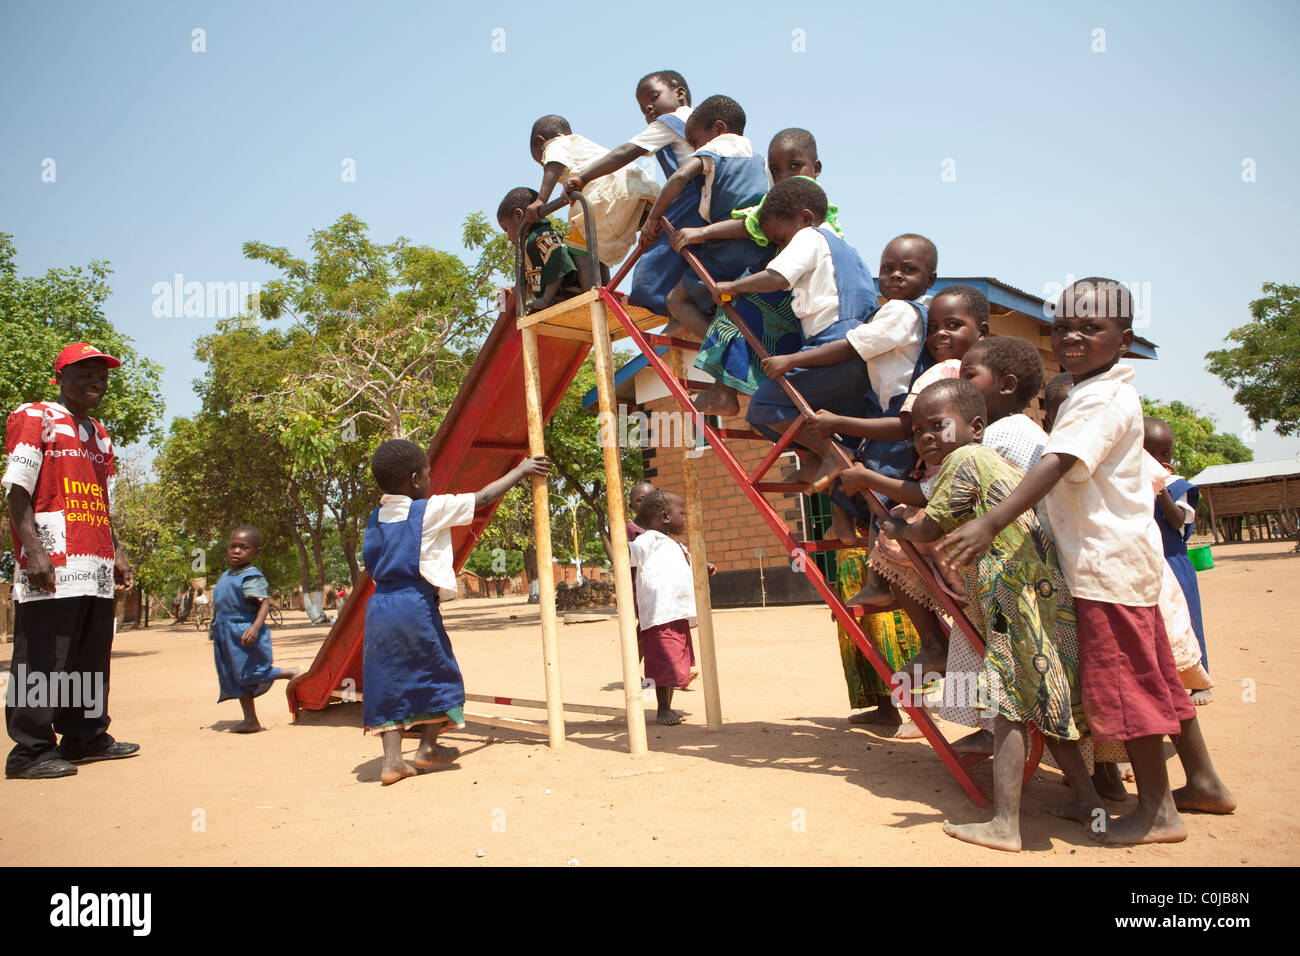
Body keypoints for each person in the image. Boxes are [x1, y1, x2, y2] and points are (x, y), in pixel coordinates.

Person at [939, 278, 1236, 844]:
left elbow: (1058, 461)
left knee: (1125, 689)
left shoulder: (1099, 398)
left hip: (1105, 571)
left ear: (1123, 339)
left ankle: (1158, 813)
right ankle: (1201, 781)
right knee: (1157, 681)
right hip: (1121, 565)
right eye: (1062, 327)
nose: (1072, 336)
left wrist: (990, 520)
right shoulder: (1088, 389)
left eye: (1090, 328)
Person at [879, 378, 1105, 852]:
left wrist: (896, 526)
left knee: (1008, 705)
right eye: (918, 431)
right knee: (1043, 697)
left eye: (937, 426)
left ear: (975, 426)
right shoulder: (992, 461)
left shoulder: (963, 460)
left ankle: (1006, 824)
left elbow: (931, 527)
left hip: (1012, 595)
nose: (926, 438)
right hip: (1044, 593)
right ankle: (1088, 802)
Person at [363, 440, 551, 784]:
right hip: (414, 606)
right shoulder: (428, 510)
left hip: (378, 608)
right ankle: (428, 747)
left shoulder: (375, 518)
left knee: (387, 679)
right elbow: (481, 498)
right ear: (417, 477)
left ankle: (392, 761)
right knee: (437, 670)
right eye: (429, 474)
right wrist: (521, 470)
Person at [835, 286, 991, 675]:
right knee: (977, 635)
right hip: (963, 503)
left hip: (960, 508)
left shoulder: (939, 376)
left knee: (893, 539)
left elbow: (907, 432)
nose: (940, 334)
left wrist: (841, 429)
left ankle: (932, 649)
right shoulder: (964, 375)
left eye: (953, 325)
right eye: (934, 326)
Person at [3, 343, 139, 779]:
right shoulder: (36, 416)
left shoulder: (100, 433)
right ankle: (30, 751)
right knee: (43, 657)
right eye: (84, 373)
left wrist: (115, 551)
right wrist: (34, 551)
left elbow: (103, 501)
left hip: (94, 565)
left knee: (89, 657)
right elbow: (17, 490)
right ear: (59, 378)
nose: (95, 381)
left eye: (101, 375)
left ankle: (85, 737)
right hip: (53, 562)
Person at [718, 179, 884, 493]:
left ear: (805, 219)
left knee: (764, 408)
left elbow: (778, 277)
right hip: (862, 350)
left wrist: (732, 287)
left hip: (835, 342)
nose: (780, 249)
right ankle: (823, 463)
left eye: (780, 239)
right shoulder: (849, 251)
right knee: (825, 421)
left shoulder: (810, 237)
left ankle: (831, 453)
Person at [672, 128, 839, 416]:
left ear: (817, 168)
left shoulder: (799, 211)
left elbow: (750, 225)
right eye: (776, 170)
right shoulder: (825, 214)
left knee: (733, 307)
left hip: (797, 301)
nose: (785, 176)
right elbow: (751, 224)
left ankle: (724, 391)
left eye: (795, 166)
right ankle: (737, 376)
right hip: (808, 311)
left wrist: (702, 233)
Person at [564, 70, 701, 316]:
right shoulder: (704, 123)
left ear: (679, 93)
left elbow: (627, 151)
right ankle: (688, 312)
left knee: (648, 274)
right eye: (642, 107)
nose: (649, 108)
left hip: (693, 201)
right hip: (713, 201)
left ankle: (679, 315)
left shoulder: (671, 121)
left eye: (654, 97)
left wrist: (582, 177)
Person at [638, 95, 769, 340]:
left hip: (725, 249)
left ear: (719, 129)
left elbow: (678, 178)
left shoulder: (716, 148)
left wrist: (652, 219)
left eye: (695, 142)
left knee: (676, 300)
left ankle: (721, 353)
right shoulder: (759, 159)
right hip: (758, 250)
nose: (695, 149)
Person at [524, 114, 660, 276]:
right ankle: (605, 288)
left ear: (540, 141)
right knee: (596, 249)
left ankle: (592, 290)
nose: (544, 164)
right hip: (640, 190)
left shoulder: (555, 144)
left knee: (577, 243)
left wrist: (541, 200)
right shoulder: (582, 147)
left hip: (607, 192)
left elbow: (554, 164)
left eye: (541, 161)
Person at [1144, 417, 1212, 704]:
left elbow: (1177, 522)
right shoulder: (1133, 483)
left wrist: (1160, 491)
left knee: (1188, 620)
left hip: (1175, 563)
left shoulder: (1178, 486)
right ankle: (1163, 682)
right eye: (1153, 454)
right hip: (1148, 562)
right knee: (1158, 626)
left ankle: (1201, 680)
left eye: (1166, 453)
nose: (1161, 459)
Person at [209, 526, 297, 733]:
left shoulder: (251, 576)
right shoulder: (226, 575)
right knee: (233, 675)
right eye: (233, 546)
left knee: (248, 673)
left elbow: (264, 604)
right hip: (225, 634)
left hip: (244, 633)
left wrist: (255, 628)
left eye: (243, 547)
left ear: (255, 552)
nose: (236, 551)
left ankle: (288, 672)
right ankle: (250, 720)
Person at [628, 490, 697, 725]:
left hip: (677, 614)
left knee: (675, 664)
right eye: (682, 513)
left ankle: (667, 706)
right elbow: (626, 554)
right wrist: (610, 533)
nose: (685, 517)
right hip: (660, 616)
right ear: (665, 517)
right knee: (662, 665)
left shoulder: (673, 544)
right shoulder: (648, 540)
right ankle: (661, 709)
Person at [498, 187, 586, 313]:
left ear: (518, 215)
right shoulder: (527, 246)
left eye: (505, 229)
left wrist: (546, 299)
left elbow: (558, 260)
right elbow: (528, 280)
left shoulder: (542, 235)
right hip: (549, 299)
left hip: (564, 296)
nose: (507, 237)